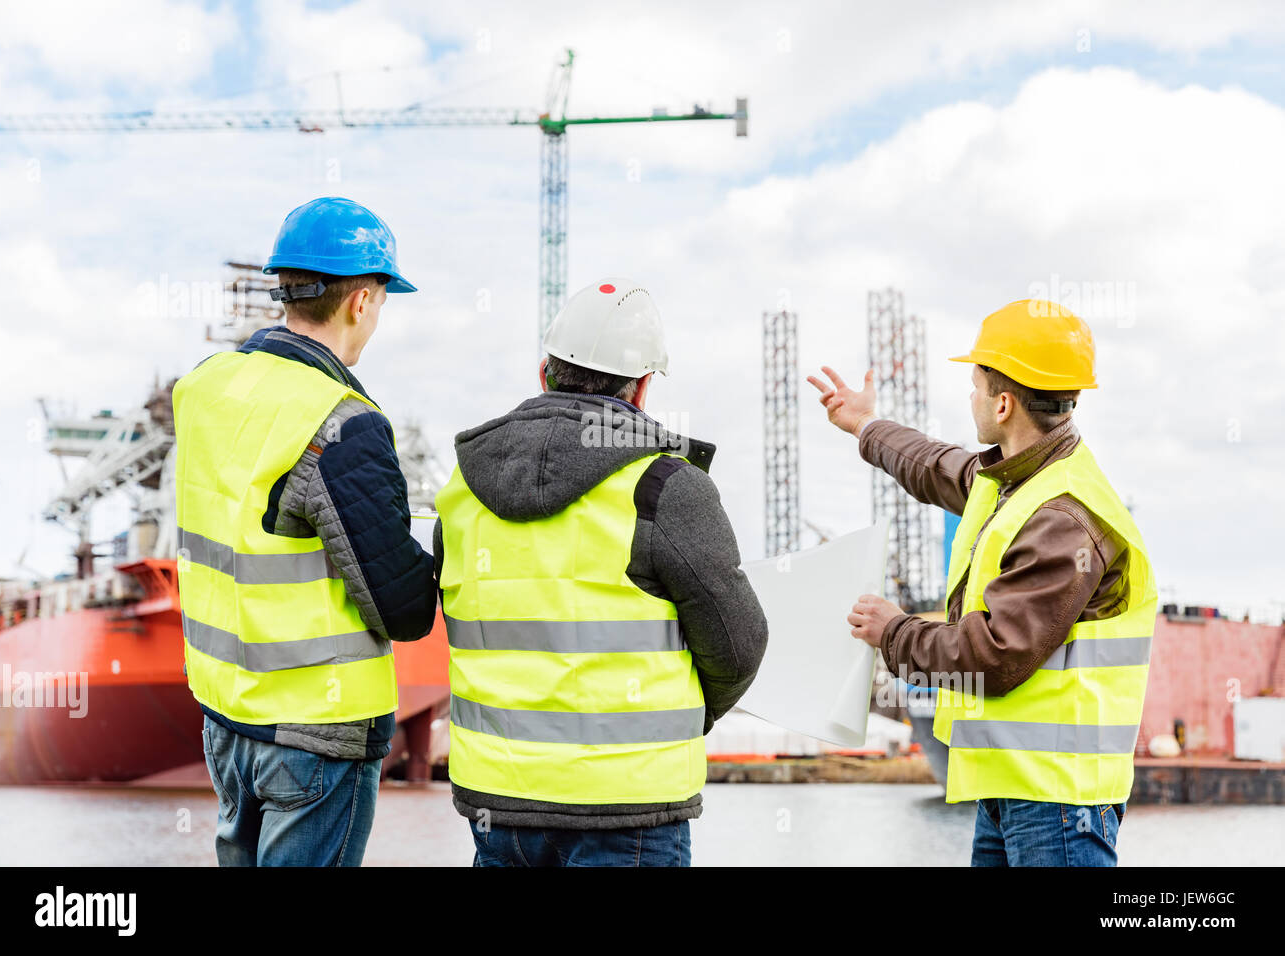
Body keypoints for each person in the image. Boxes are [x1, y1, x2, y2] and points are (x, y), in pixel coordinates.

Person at [808, 299, 1156, 867]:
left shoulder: (1062, 516)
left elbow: (994, 656)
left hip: (1057, 802)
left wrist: (894, 632)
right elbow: (934, 465)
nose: (969, 398)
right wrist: (865, 425)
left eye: (974, 385)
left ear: (1002, 401)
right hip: (1013, 789)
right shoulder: (1015, 479)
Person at [433, 277, 768, 867]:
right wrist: (679, 717)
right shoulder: (664, 486)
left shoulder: (462, 489)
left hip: (499, 800)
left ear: (545, 373)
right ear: (641, 391)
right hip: (627, 805)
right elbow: (738, 645)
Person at [172, 196, 439, 866]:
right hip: (317, 738)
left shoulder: (202, 389)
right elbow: (403, 609)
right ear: (362, 302)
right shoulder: (341, 422)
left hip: (226, 722)